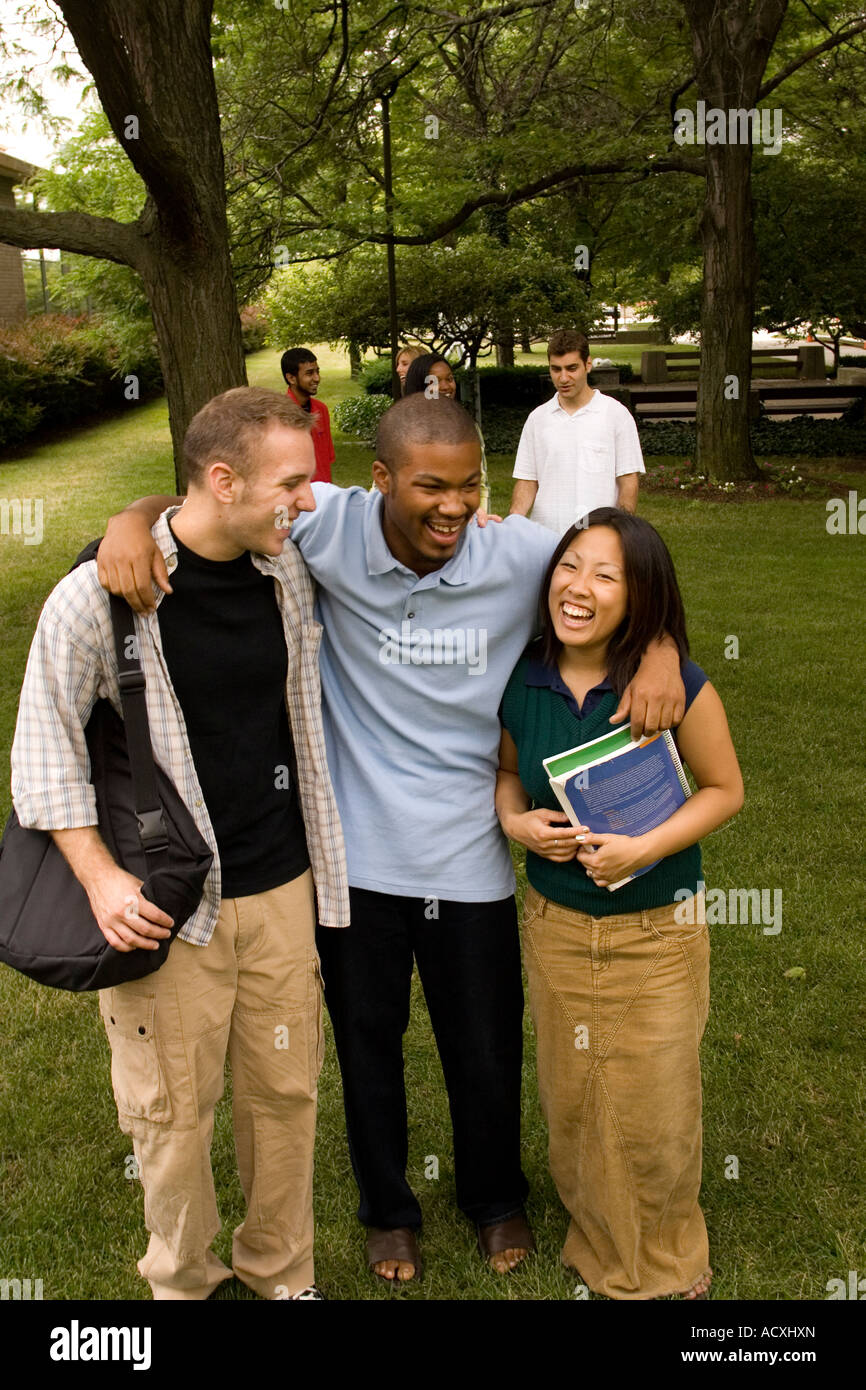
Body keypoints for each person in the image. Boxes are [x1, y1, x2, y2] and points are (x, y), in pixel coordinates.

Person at [95, 395, 686, 1287]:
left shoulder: (519, 552)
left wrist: (667, 648)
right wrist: (128, 520)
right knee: (367, 1045)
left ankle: (494, 1197)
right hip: (352, 865)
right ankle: (388, 1211)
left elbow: (620, 572)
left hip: (474, 857)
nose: (453, 507)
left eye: (469, 486)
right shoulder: (320, 524)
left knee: (482, 1048)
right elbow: (203, 503)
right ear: (378, 483)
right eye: (430, 488)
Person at [11, 387, 350, 1301]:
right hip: (164, 901)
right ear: (223, 479)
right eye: (291, 483)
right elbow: (42, 755)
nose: (308, 502)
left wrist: (142, 509)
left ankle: (282, 1276)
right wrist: (98, 878)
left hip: (281, 886)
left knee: (285, 1098)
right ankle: (184, 1284)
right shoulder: (97, 596)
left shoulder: (285, 572)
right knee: (171, 1119)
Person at [496, 507, 744, 1300]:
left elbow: (725, 790)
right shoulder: (522, 675)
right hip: (556, 926)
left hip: (655, 929)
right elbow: (506, 773)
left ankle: (670, 1265)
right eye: (570, 565)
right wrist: (516, 822)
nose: (579, 586)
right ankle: (594, 1241)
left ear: (640, 599)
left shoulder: (668, 685)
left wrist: (649, 846)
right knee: (574, 1100)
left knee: (654, 1105)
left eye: (607, 576)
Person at [509, 329, 645, 532]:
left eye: (571, 368)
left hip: (597, 537)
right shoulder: (537, 419)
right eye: (556, 369)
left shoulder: (616, 415)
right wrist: (512, 525)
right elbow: (527, 481)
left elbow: (628, 482)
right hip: (546, 536)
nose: (563, 378)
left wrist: (621, 534)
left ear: (588, 365)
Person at [404, 352, 490, 511]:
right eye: (434, 381)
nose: (445, 387)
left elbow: (481, 485)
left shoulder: (468, 428)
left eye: (449, 379)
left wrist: (480, 517)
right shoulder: (403, 430)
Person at [280, 347, 336, 483]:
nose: (317, 378)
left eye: (317, 372)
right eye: (309, 373)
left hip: (324, 495)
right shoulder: (280, 415)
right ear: (291, 378)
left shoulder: (321, 409)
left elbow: (327, 459)